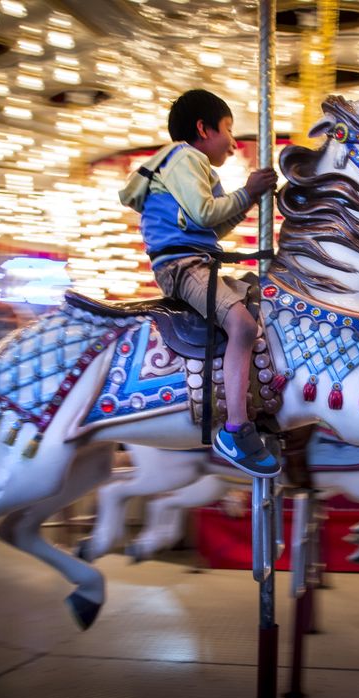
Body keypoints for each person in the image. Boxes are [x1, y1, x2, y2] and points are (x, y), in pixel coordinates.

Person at [119, 89, 279, 477]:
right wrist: (248, 191)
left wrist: (251, 199)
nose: (234, 141)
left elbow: (217, 223)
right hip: (183, 266)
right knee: (241, 324)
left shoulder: (199, 169)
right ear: (203, 128)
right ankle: (235, 429)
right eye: (227, 129)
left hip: (198, 260)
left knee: (262, 302)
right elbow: (206, 213)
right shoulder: (185, 157)